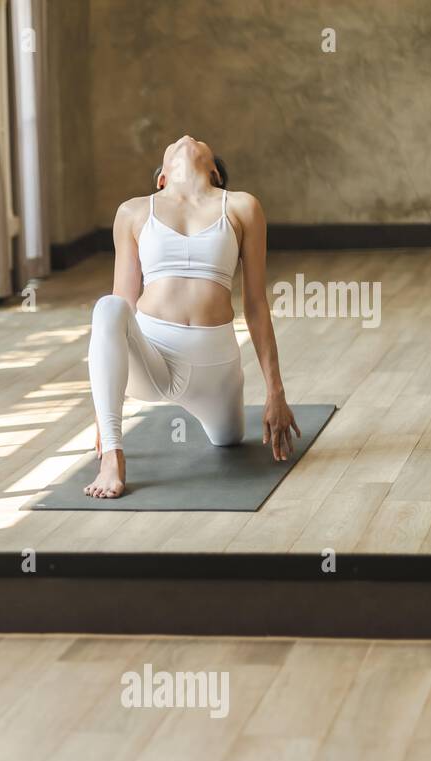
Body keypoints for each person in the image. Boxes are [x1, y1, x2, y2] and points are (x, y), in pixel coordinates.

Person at [85, 134, 299, 498]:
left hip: (214, 372)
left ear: (214, 171)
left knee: (229, 440)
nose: (187, 137)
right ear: (161, 179)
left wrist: (275, 391)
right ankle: (114, 459)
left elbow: (256, 304)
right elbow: (122, 305)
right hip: (151, 359)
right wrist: (104, 416)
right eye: (176, 142)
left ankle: (220, 418)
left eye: (199, 140)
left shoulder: (242, 207)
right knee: (107, 306)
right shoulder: (134, 211)